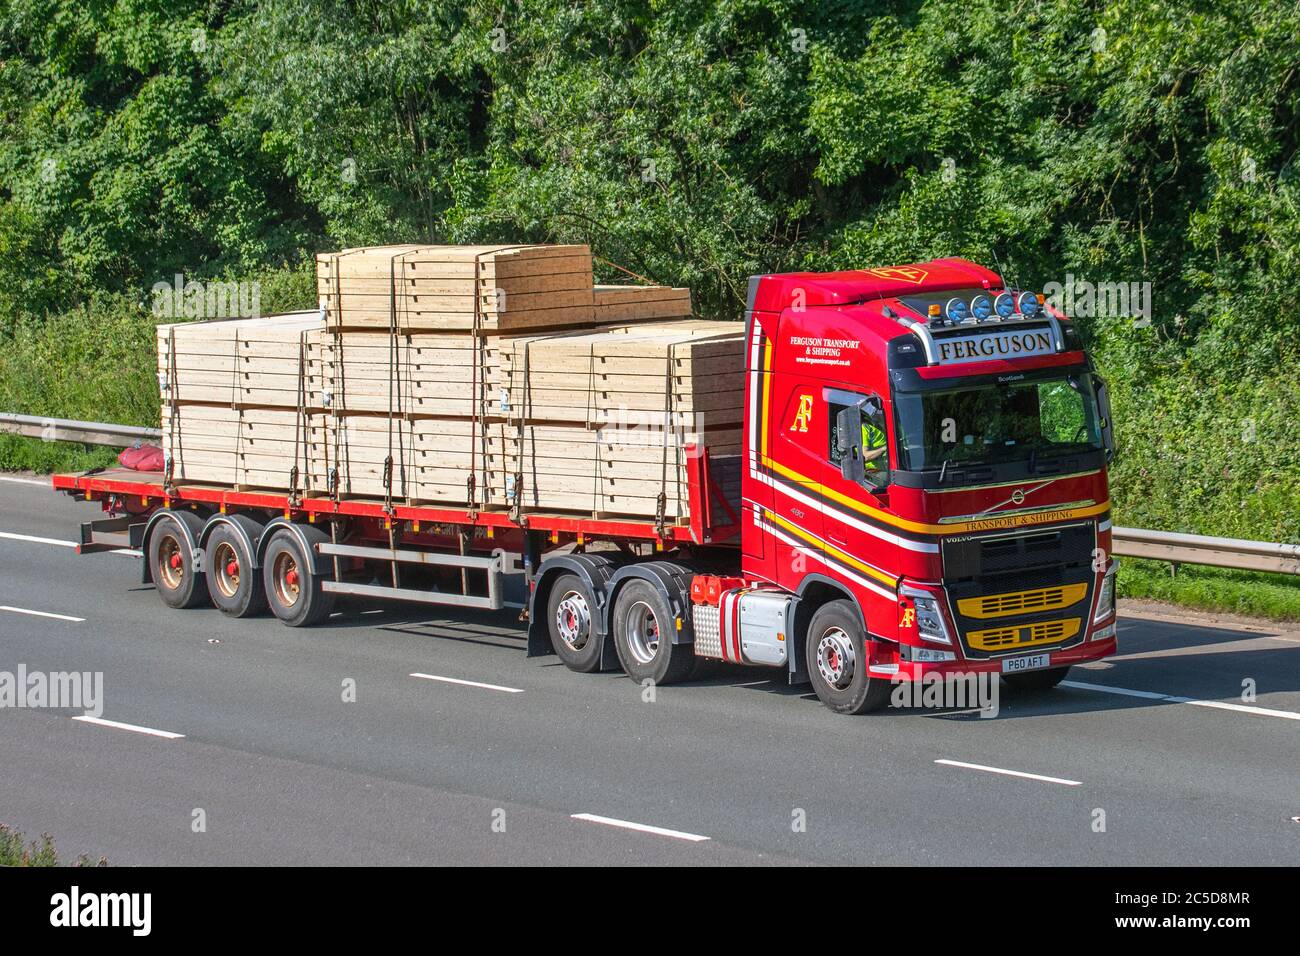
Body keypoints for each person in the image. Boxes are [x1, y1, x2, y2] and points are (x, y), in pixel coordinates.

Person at [860, 399, 887, 470]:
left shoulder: (872, 422)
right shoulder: (863, 428)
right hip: (876, 470)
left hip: (883, 466)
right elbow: (866, 456)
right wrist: (885, 448)